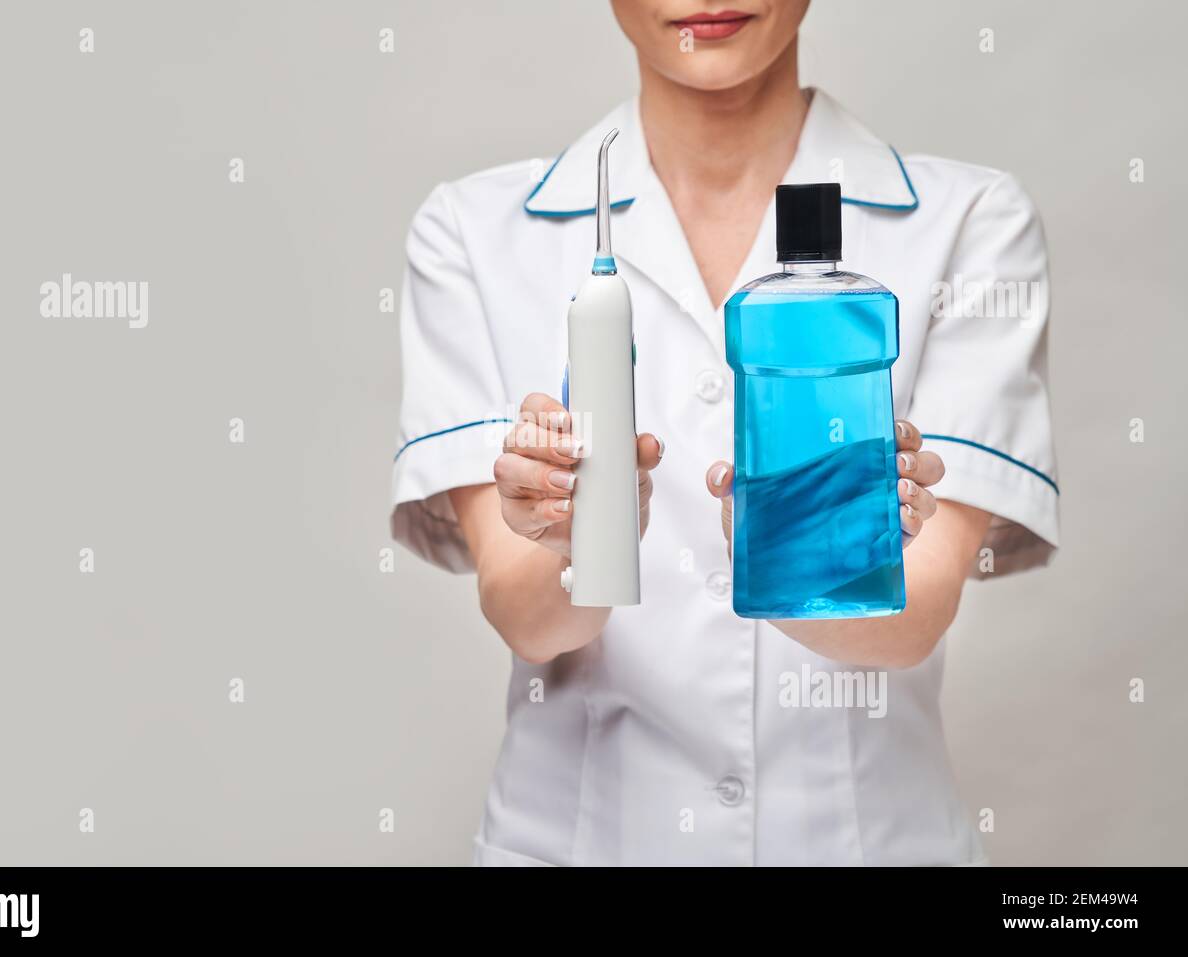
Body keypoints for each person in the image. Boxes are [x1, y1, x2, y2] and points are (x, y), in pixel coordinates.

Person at [391, 0, 1058, 866]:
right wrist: (576, 535)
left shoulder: (971, 222)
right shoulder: (474, 233)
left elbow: (912, 614)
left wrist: (781, 554)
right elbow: (527, 616)